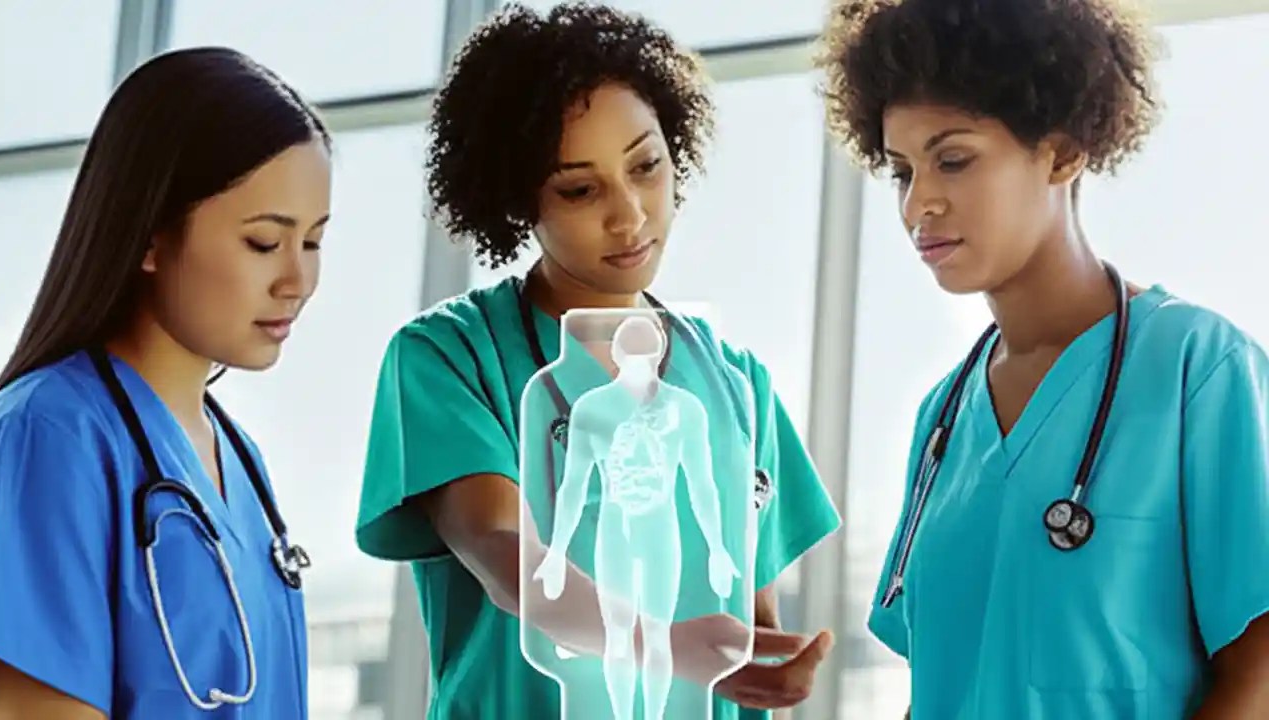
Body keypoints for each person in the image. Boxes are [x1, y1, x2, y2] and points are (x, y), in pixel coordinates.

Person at [353, 3, 841, 719]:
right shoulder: (450, 355)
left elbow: (748, 631)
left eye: (646, 167)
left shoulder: (738, 384)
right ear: (519, 197)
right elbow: (502, 552)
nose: (630, 216)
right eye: (581, 189)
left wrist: (777, 668)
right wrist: (664, 646)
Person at [818, 0, 1269, 717]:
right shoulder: (943, 418)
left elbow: (1259, 671)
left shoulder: (1197, 368)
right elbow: (939, 681)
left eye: (953, 160)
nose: (918, 204)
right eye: (902, 172)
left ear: (1062, 152)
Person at [0, 47, 331, 719]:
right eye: (265, 243)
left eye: (314, 242)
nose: (297, 281)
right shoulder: (50, 436)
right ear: (149, 236)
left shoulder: (240, 460)